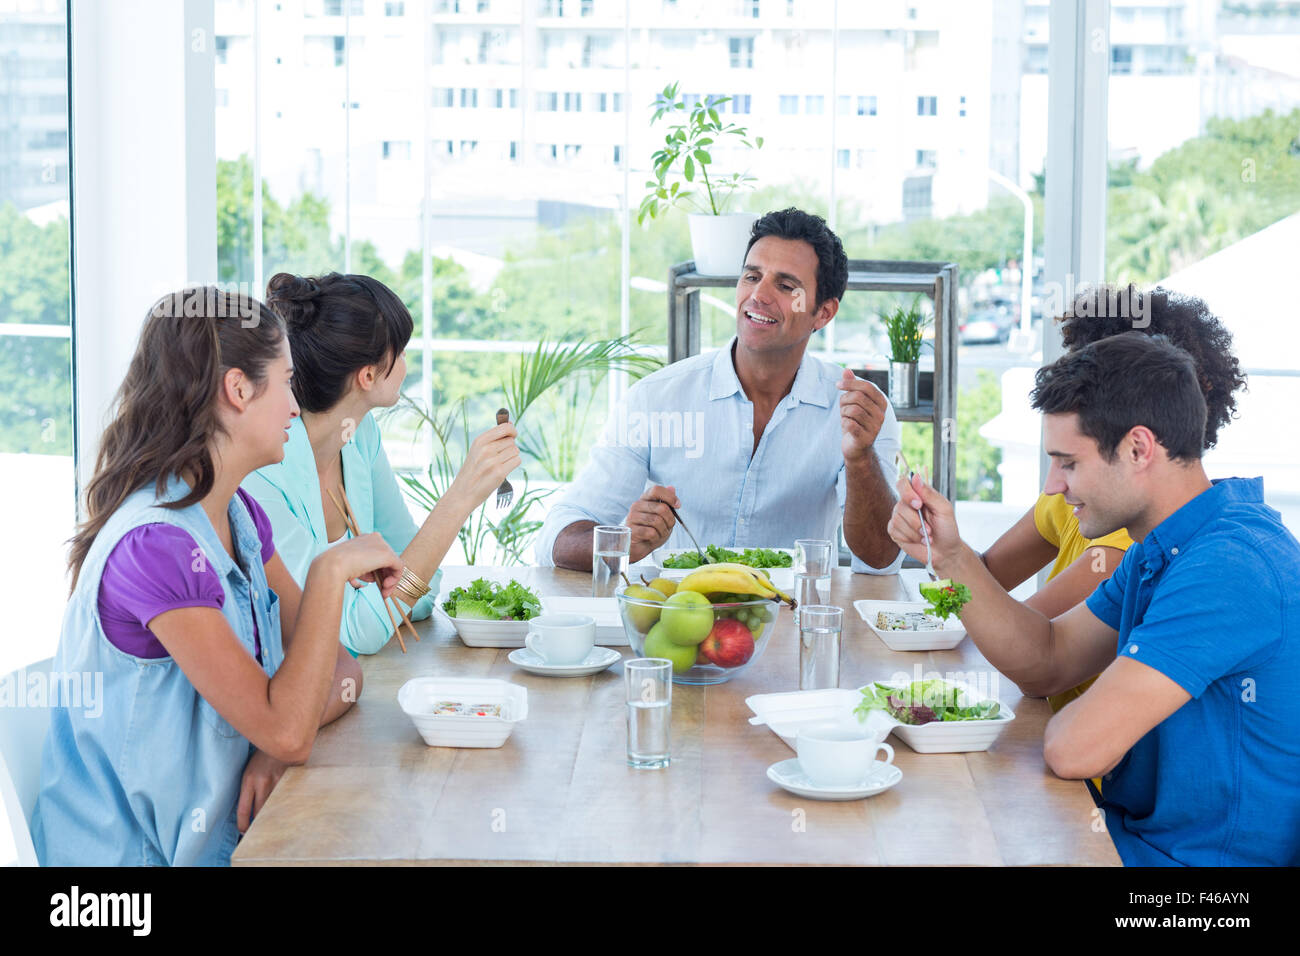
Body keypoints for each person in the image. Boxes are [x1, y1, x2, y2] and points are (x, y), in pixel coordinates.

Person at [888, 332, 1300, 866]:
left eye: (1068, 462)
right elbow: (1047, 660)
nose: (1054, 485)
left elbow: (1075, 748)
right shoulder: (1163, 548)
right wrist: (949, 558)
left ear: (1137, 448)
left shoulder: (1229, 565)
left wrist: (1088, 714)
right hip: (1127, 843)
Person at [32, 288, 405, 866]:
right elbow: (291, 724)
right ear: (237, 389)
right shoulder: (155, 547)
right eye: (285, 383)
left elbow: (338, 670)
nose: (292, 405)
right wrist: (331, 571)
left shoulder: (238, 515)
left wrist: (274, 746)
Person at [536, 208, 903, 574]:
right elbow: (557, 535)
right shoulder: (655, 400)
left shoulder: (858, 412)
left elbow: (881, 559)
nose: (758, 295)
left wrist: (860, 457)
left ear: (823, 313)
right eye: (752, 276)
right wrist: (622, 541)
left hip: (790, 622)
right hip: (678, 622)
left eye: (786, 286)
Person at [979, 286, 1248, 712]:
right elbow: (1005, 611)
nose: (1055, 483)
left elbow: (1026, 648)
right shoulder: (1142, 545)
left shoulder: (1149, 546)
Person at [243, 272, 520, 656]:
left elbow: (421, 592)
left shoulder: (359, 435)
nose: (407, 363)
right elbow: (356, 632)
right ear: (368, 375)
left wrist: (381, 595)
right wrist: (461, 498)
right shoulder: (261, 474)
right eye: (402, 351)